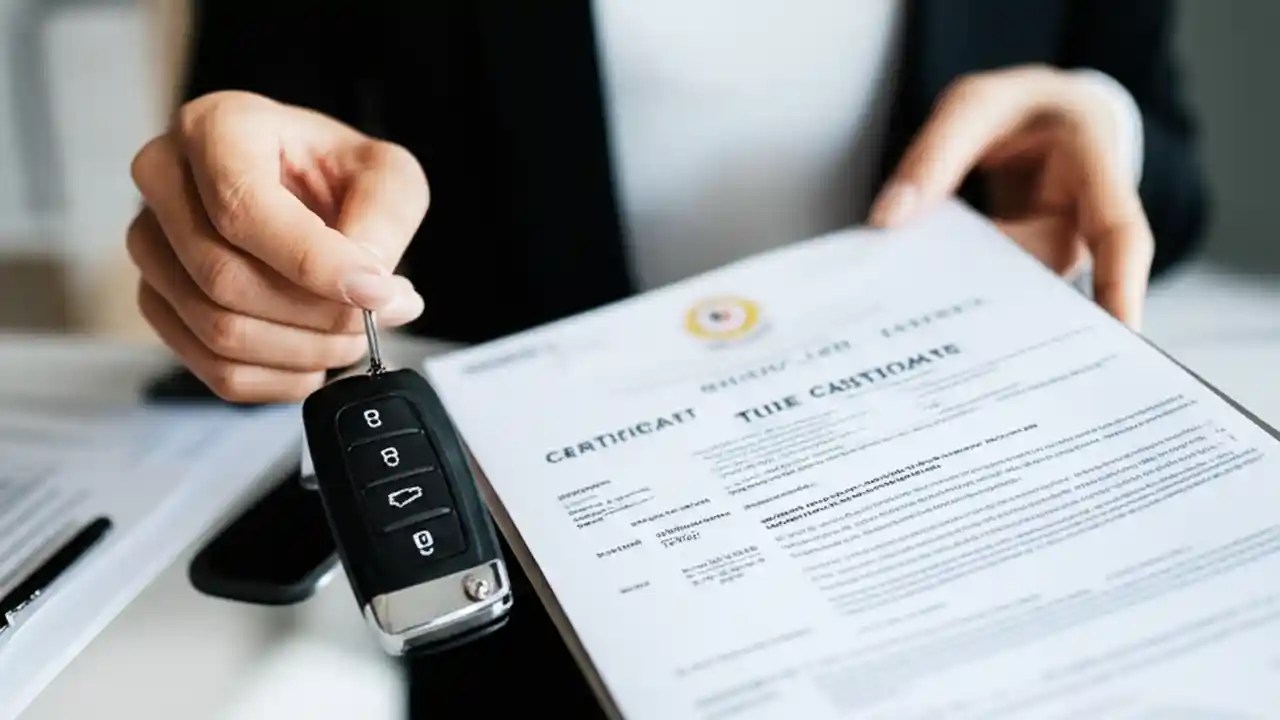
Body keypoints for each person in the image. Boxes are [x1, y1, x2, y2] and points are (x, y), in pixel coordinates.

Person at [124, 1, 1207, 716]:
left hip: (974, 561)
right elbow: (250, 118)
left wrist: (1104, 128)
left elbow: (1173, 173)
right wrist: (239, 221)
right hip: (535, 629)